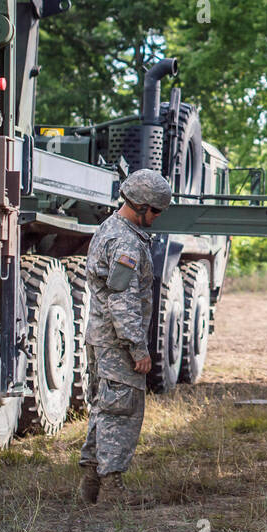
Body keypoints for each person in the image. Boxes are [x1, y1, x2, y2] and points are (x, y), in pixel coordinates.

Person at [78, 168, 172, 503]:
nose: (158, 217)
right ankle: (112, 488)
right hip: (116, 342)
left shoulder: (112, 229)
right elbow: (122, 299)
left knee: (105, 408)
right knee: (121, 412)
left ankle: (91, 482)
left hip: (103, 338)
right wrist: (137, 347)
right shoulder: (125, 241)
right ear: (141, 205)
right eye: (157, 211)